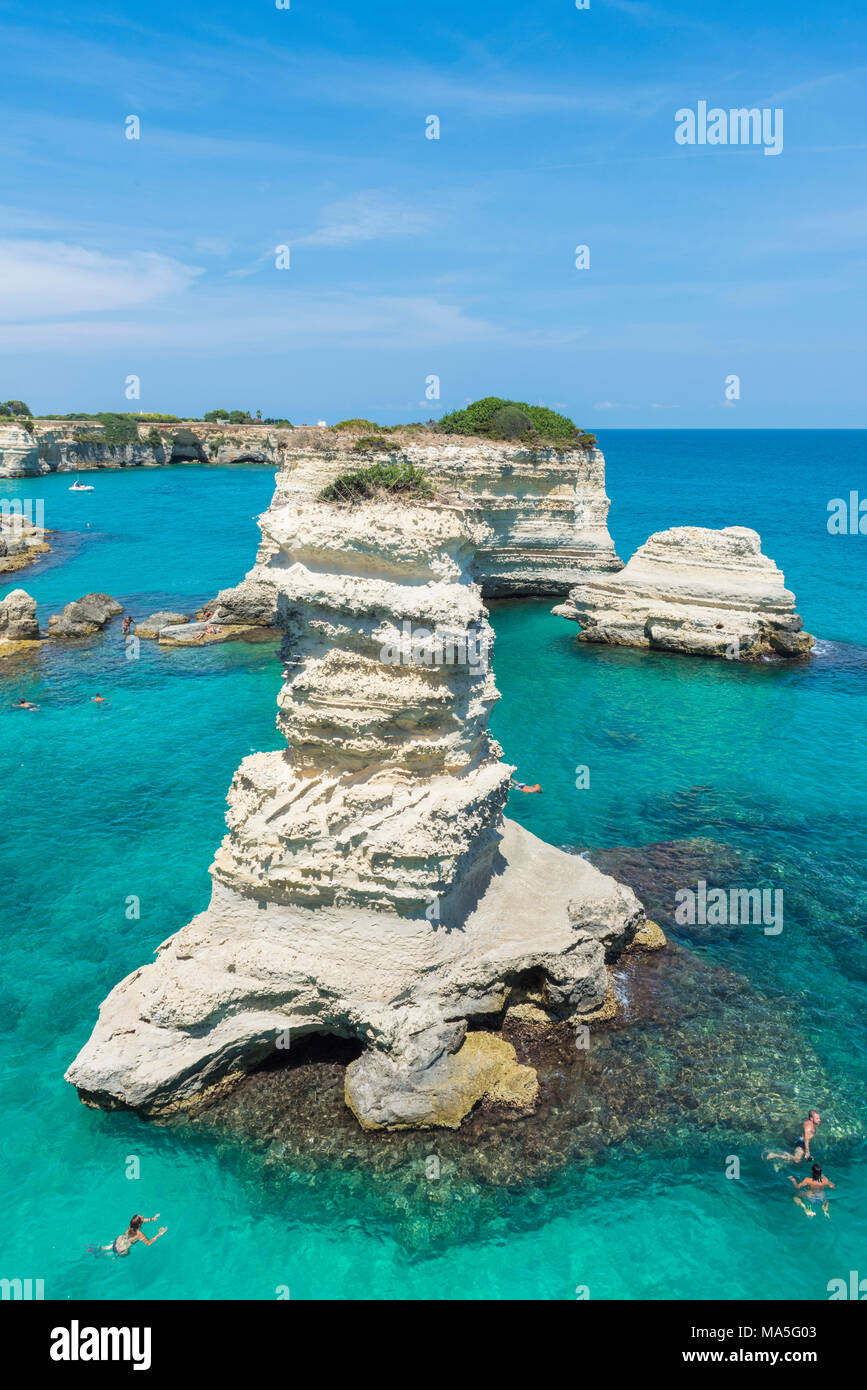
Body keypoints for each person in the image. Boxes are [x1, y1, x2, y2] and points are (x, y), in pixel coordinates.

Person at [90, 1213, 166, 1257]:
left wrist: (152, 1219)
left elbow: (140, 1221)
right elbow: (148, 1243)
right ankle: (105, 1254)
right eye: (141, 1217)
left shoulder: (131, 1225)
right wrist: (159, 1234)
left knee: (107, 1248)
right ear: (139, 1224)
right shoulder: (139, 1234)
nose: (142, 1216)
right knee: (116, 1255)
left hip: (118, 1241)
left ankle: (99, 1248)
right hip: (122, 1249)